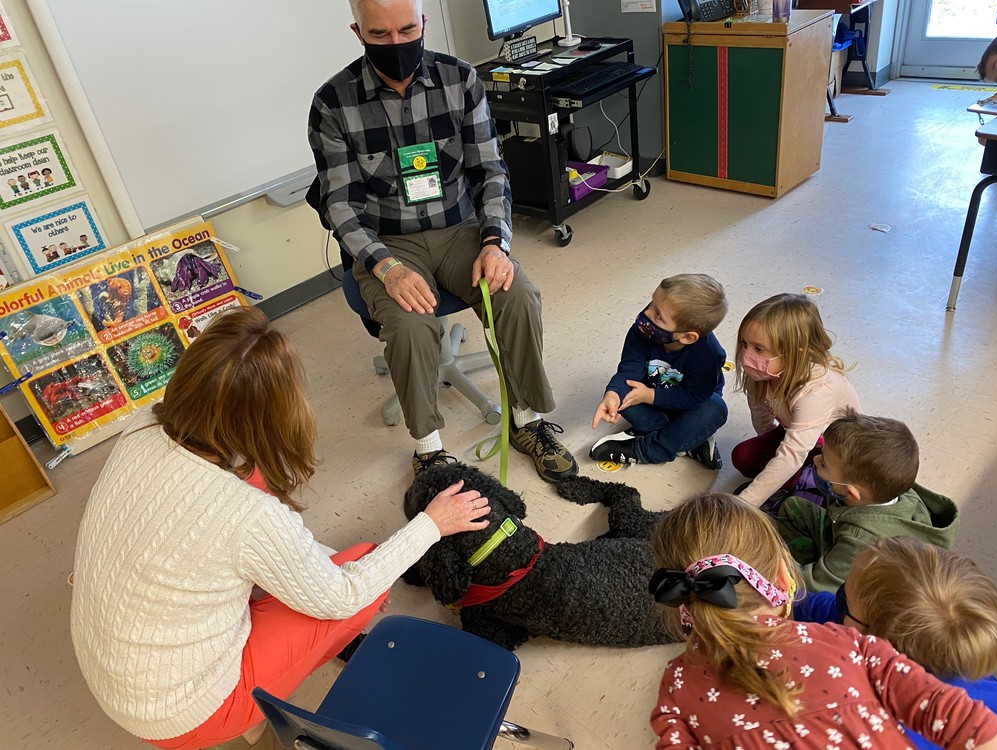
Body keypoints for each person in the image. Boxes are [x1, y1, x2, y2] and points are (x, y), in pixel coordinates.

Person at [69, 306, 493, 750]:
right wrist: (431, 524)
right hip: (181, 713)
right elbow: (342, 594)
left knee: (288, 534)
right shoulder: (248, 516)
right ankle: (242, 720)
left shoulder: (140, 427)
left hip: (110, 664)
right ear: (275, 414)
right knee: (365, 565)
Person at [307, 0, 577, 483]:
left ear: (423, 24)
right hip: (387, 243)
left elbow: (490, 171)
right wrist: (385, 267)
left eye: (407, 29)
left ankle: (527, 421)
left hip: (460, 230)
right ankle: (428, 450)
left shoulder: (461, 80)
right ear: (358, 32)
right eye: (381, 35)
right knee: (412, 328)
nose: (397, 44)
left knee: (518, 296)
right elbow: (340, 204)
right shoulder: (333, 102)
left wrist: (496, 242)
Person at [648, 493, 997, 750]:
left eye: (843, 597)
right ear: (786, 579)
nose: (835, 598)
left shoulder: (675, 689)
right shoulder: (849, 644)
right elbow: (980, 731)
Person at [795, 536, 997, 750]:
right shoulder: (955, 650)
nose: (838, 599)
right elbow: (825, 610)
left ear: (877, 645)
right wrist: (785, 596)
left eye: (843, 599)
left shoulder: (867, 721)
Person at [774, 409, 957, 592]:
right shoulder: (896, 491)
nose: (815, 459)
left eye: (824, 464)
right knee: (793, 507)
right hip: (840, 532)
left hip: (850, 579)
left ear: (851, 493)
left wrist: (773, 565)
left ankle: (801, 568)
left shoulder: (859, 540)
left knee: (795, 581)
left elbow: (817, 586)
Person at [731, 293, 860, 507]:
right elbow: (761, 417)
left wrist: (744, 503)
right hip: (798, 438)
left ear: (795, 354)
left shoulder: (817, 391)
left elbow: (791, 454)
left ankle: (809, 482)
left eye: (759, 349)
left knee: (793, 481)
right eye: (744, 344)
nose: (746, 355)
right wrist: (772, 449)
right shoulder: (763, 374)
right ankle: (802, 480)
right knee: (743, 457)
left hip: (834, 452)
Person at [589, 273, 728, 468]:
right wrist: (613, 394)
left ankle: (647, 450)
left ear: (688, 337)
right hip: (653, 401)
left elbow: (695, 396)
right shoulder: (642, 331)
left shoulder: (710, 354)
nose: (647, 314)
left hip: (689, 406)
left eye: (658, 315)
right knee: (623, 395)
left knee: (715, 408)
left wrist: (650, 396)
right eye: (651, 303)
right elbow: (629, 371)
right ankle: (687, 440)